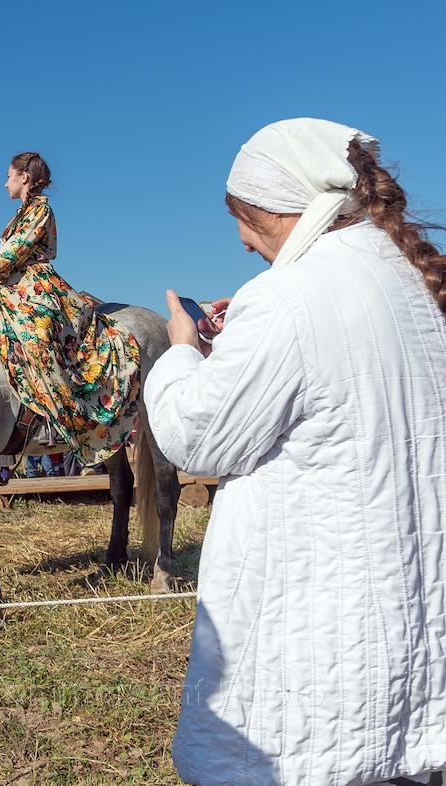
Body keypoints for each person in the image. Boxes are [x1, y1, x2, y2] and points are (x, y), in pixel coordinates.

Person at [144, 118, 446, 786]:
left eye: (244, 219)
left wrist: (183, 349)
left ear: (283, 211)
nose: (242, 240)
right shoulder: (422, 283)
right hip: (411, 623)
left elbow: (197, 435)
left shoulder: (287, 298)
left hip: (325, 639)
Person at [0, 151, 141, 468]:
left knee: (36, 341)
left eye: (9, 176)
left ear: (24, 177)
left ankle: (57, 418)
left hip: (34, 290)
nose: (4, 183)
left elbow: (14, 253)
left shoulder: (41, 210)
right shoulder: (22, 212)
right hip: (12, 288)